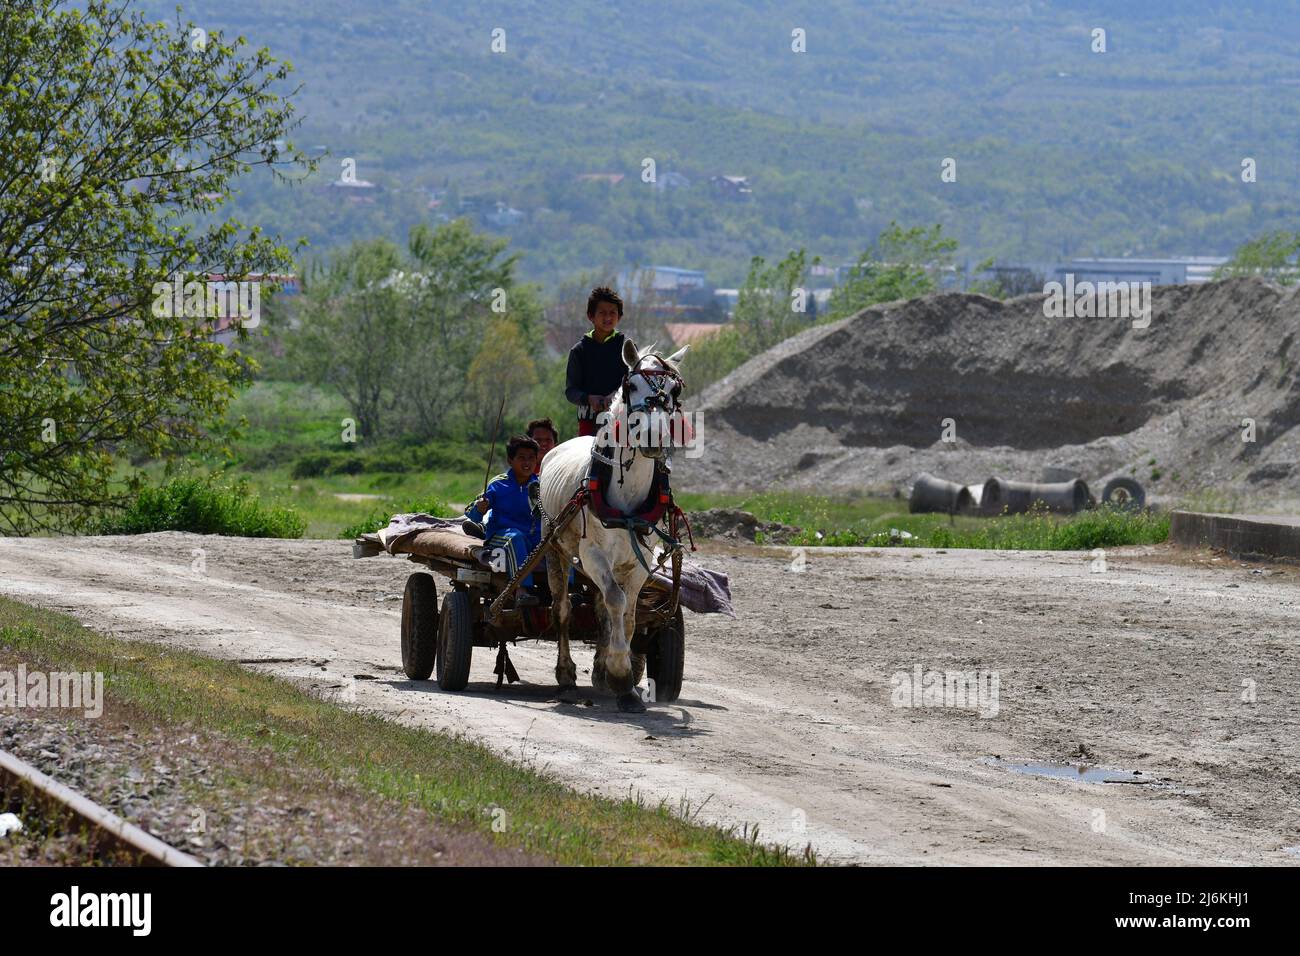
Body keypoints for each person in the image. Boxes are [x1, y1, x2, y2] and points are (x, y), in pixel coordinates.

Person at [468, 436, 542, 604]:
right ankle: (521, 589)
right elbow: (472, 513)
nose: (527, 462)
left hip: (532, 537)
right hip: (501, 537)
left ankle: (569, 589)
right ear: (510, 460)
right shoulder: (498, 484)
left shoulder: (540, 485)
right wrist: (480, 507)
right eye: (521, 457)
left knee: (558, 540)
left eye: (531, 458)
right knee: (516, 537)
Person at [565, 286, 628, 438]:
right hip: (588, 422)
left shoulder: (627, 348)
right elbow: (571, 391)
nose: (608, 317)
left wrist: (616, 395)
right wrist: (588, 398)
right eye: (602, 313)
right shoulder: (578, 351)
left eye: (612, 312)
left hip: (623, 421)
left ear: (619, 316)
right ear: (591, 316)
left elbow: (634, 382)